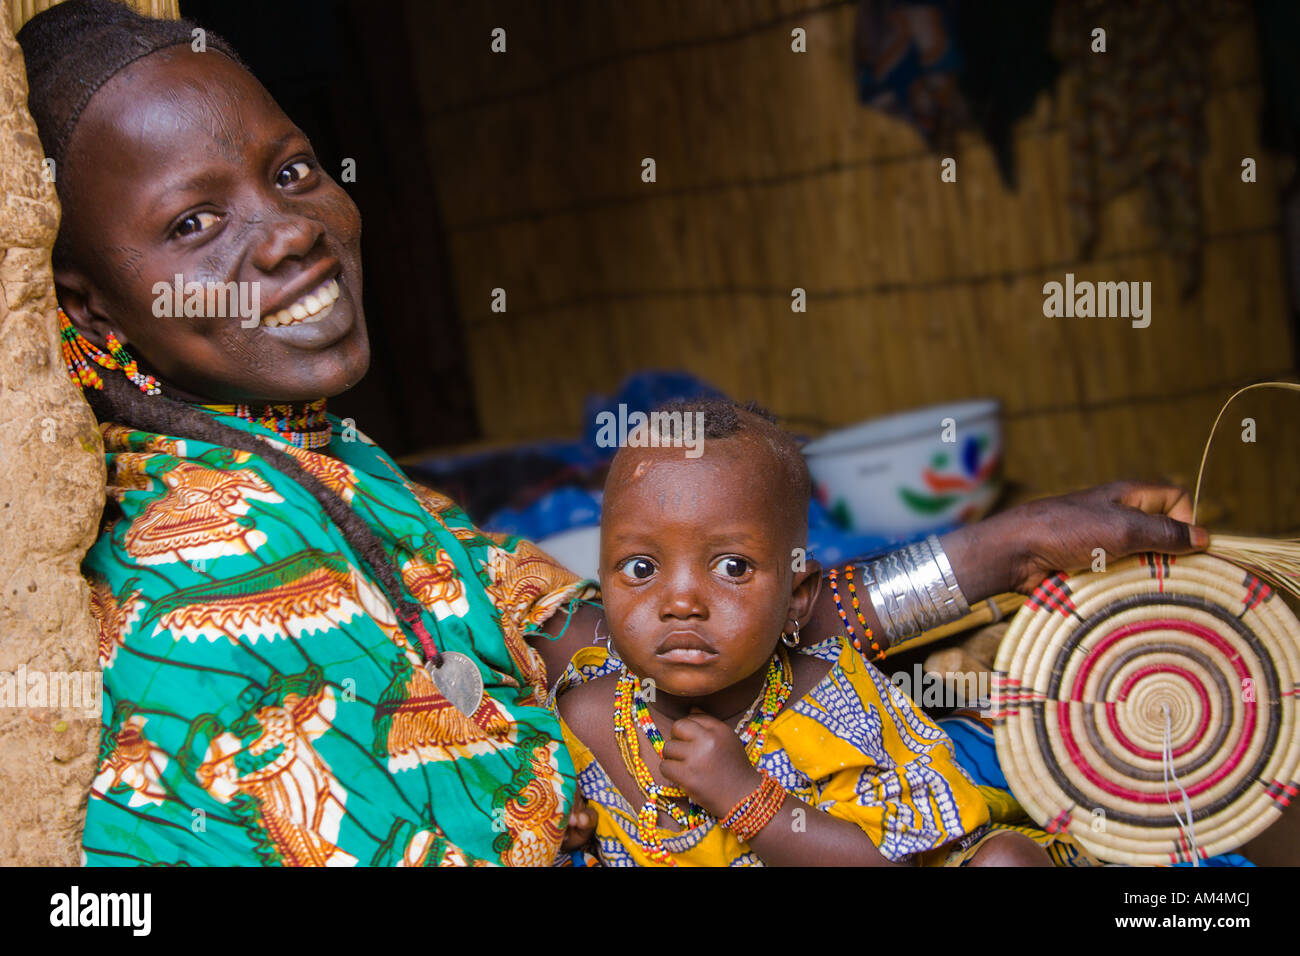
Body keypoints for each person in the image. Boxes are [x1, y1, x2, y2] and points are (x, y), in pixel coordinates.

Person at [16, 0, 1214, 866]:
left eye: (291, 171)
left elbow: (679, 635)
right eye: (191, 225)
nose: (286, 234)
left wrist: (1002, 549)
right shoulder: (185, 579)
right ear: (88, 303)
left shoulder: (337, 471)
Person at [556, 401, 1063, 865]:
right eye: (641, 567)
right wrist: (565, 829)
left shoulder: (832, 699)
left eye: (732, 567)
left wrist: (748, 799)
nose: (681, 602)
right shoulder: (582, 721)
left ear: (798, 597)